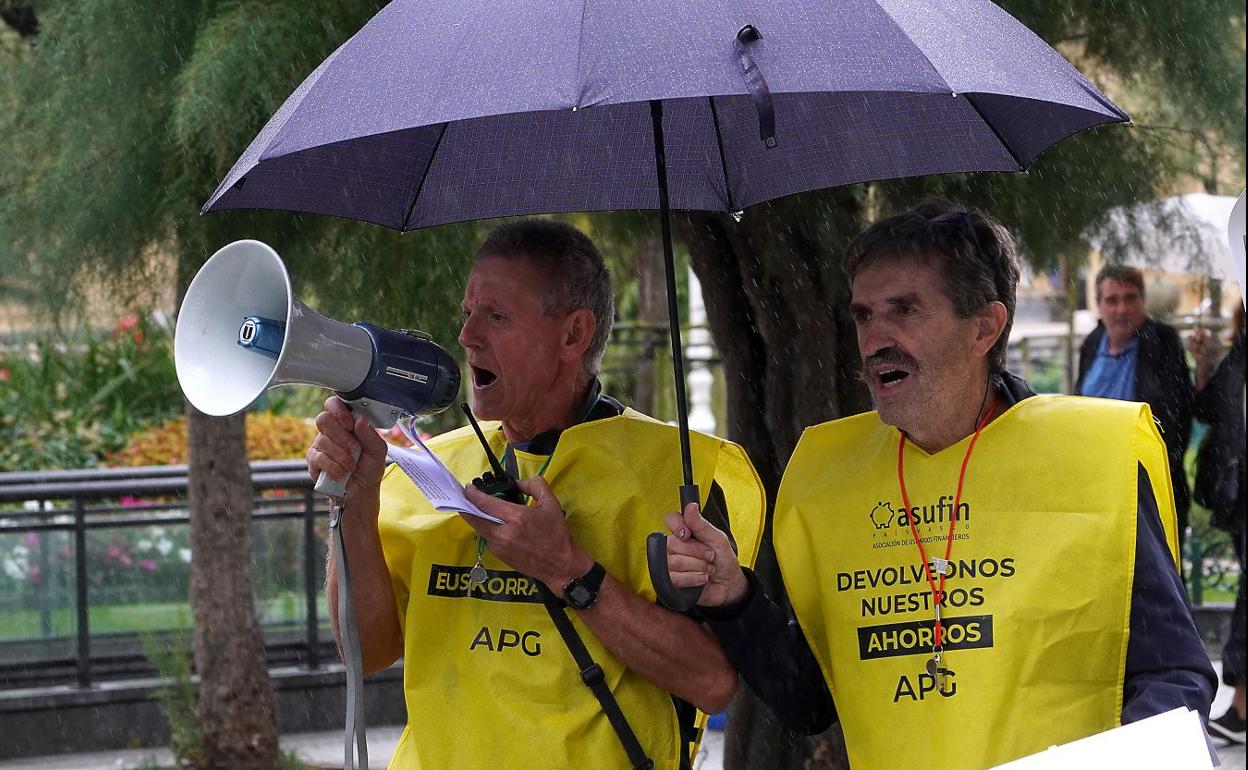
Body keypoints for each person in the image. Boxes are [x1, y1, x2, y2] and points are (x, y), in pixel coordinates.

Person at [664, 202, 1216, 770]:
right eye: (863, 316)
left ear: (984, 327)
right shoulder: (827, 478)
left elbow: (1175, 674)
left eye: (904, 310)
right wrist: (732, 597)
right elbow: (810, 699)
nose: (876, 338)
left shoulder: (1092, 459)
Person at [307, 219, 764, 770]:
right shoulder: (419, 467)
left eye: (496, 317)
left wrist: (569, 569)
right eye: (467, 313)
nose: (467, 336)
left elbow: (713, 682)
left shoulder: (679, 469)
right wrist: (356, 505)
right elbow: (370, 651)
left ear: (573, 335)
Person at [1078, 265, 1195, 551]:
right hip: (1097, 486)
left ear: (1143, 301)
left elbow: (1177, 418)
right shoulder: (1092, 344)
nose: (1122, 309)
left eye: (1130, 298)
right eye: (1112, 299)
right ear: (1099, 304)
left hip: (1147, 487)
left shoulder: (1162, 343)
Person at [1190, 304, 1246, 744]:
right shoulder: (1242, 350)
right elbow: (1211, 410)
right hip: (1240, 492)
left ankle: (1243, 704)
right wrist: (1204, 364)